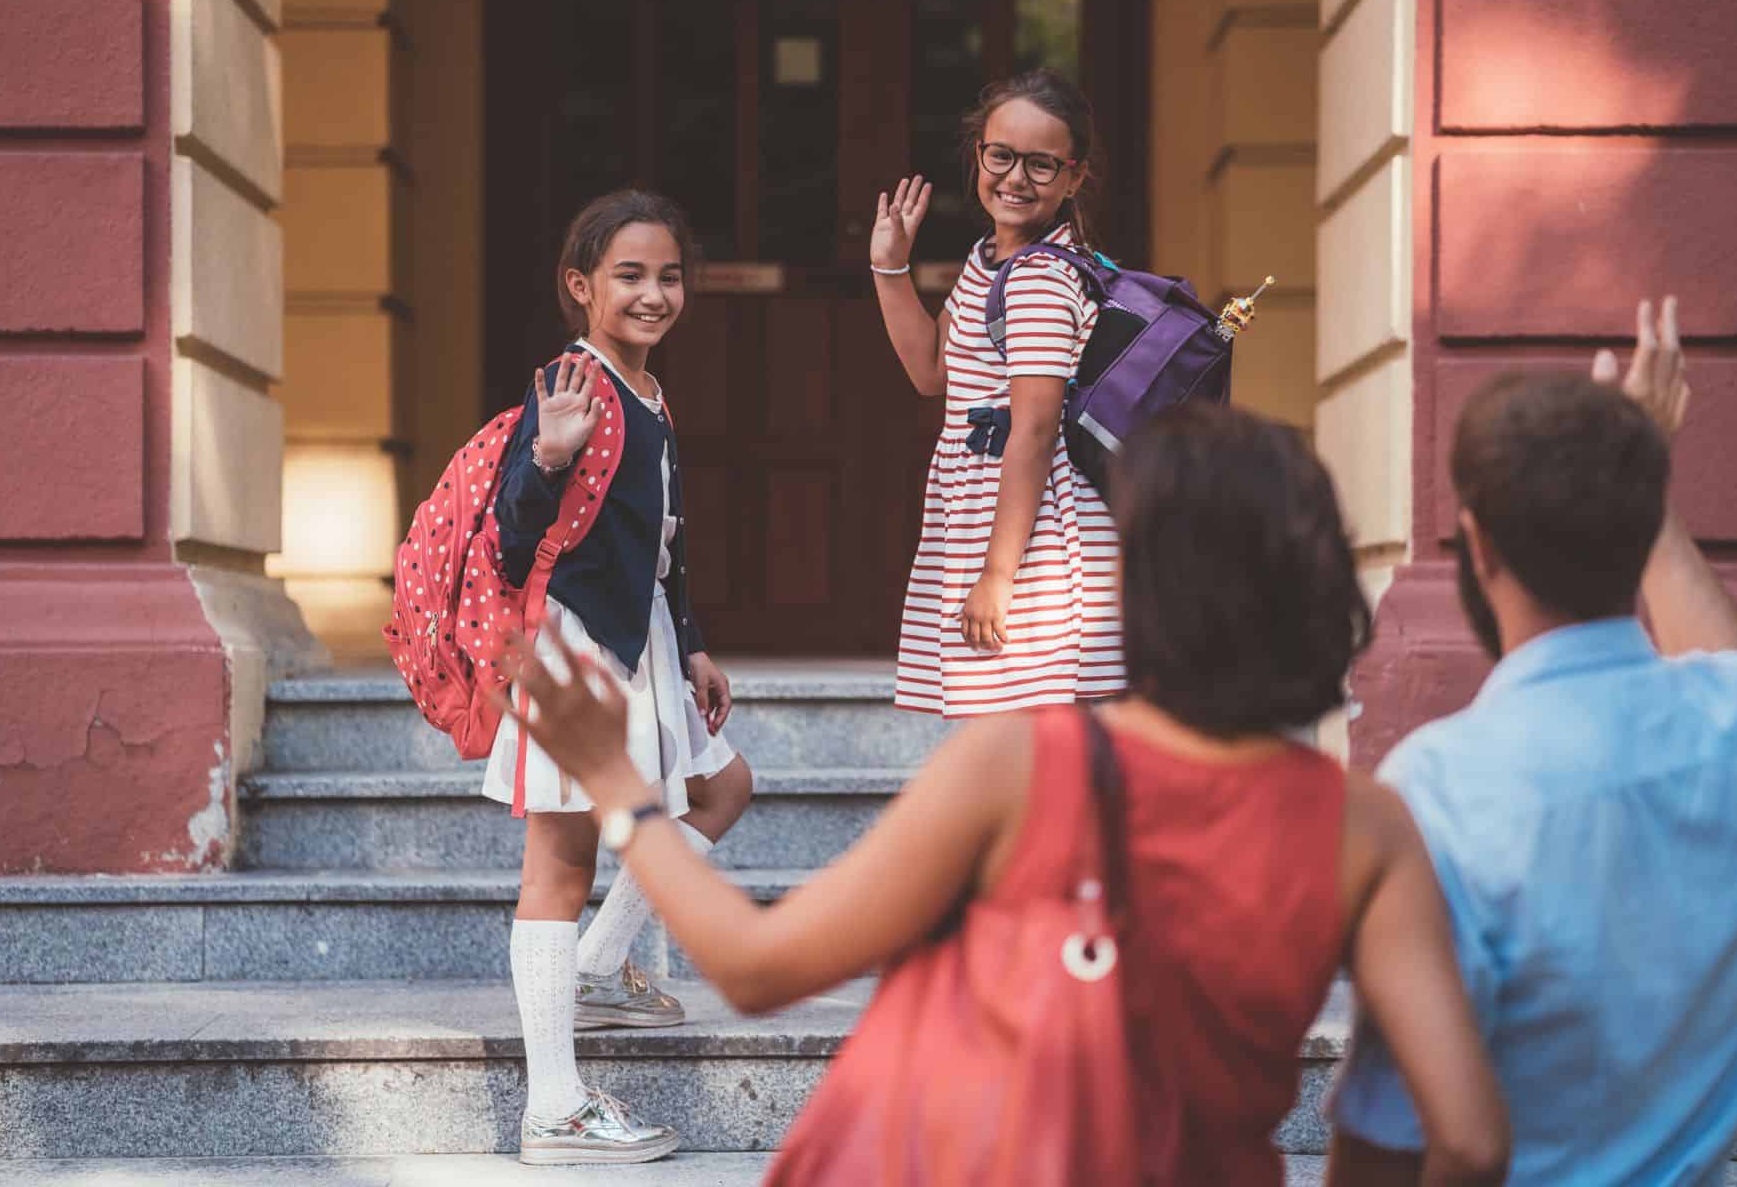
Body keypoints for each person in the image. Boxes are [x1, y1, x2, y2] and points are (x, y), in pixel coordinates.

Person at [496, 404, 1512, 1185]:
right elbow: (1467, 1134)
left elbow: (759, 966)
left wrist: (620, 785)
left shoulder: (1027, 766)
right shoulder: (1366, 826)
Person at [1329, 298, 1737, 1185]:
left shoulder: (1441, 785)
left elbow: (1393, 1144)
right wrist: (1640, 477)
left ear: (1478, 546)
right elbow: (1724, 654)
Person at [478, 189, 755, 1166]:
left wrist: (692, 644)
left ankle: (599, 964)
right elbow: (513, 539)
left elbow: (663, 541)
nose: (652, 292)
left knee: (724, 788)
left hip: (642, 644)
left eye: (668, 275)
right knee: (559, 864)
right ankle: (554, 1103)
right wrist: (547, 458)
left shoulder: (650, 393)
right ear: (580, 285)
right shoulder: (570, 382)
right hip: (573, 648)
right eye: (629, 275)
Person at [870, 69, 1125, 716]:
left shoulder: (1037, 280)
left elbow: (1034, 430)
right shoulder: (992, 260)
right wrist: (890, 265)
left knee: (1029, 733)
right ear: (978, 153)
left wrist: (998, 576)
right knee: (1020, 735)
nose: (1015, 178)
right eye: (1001, 155)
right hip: (1001, 517)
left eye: (1041, 165)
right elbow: (932, 371)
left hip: (1038, 540)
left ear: (1074, 177)